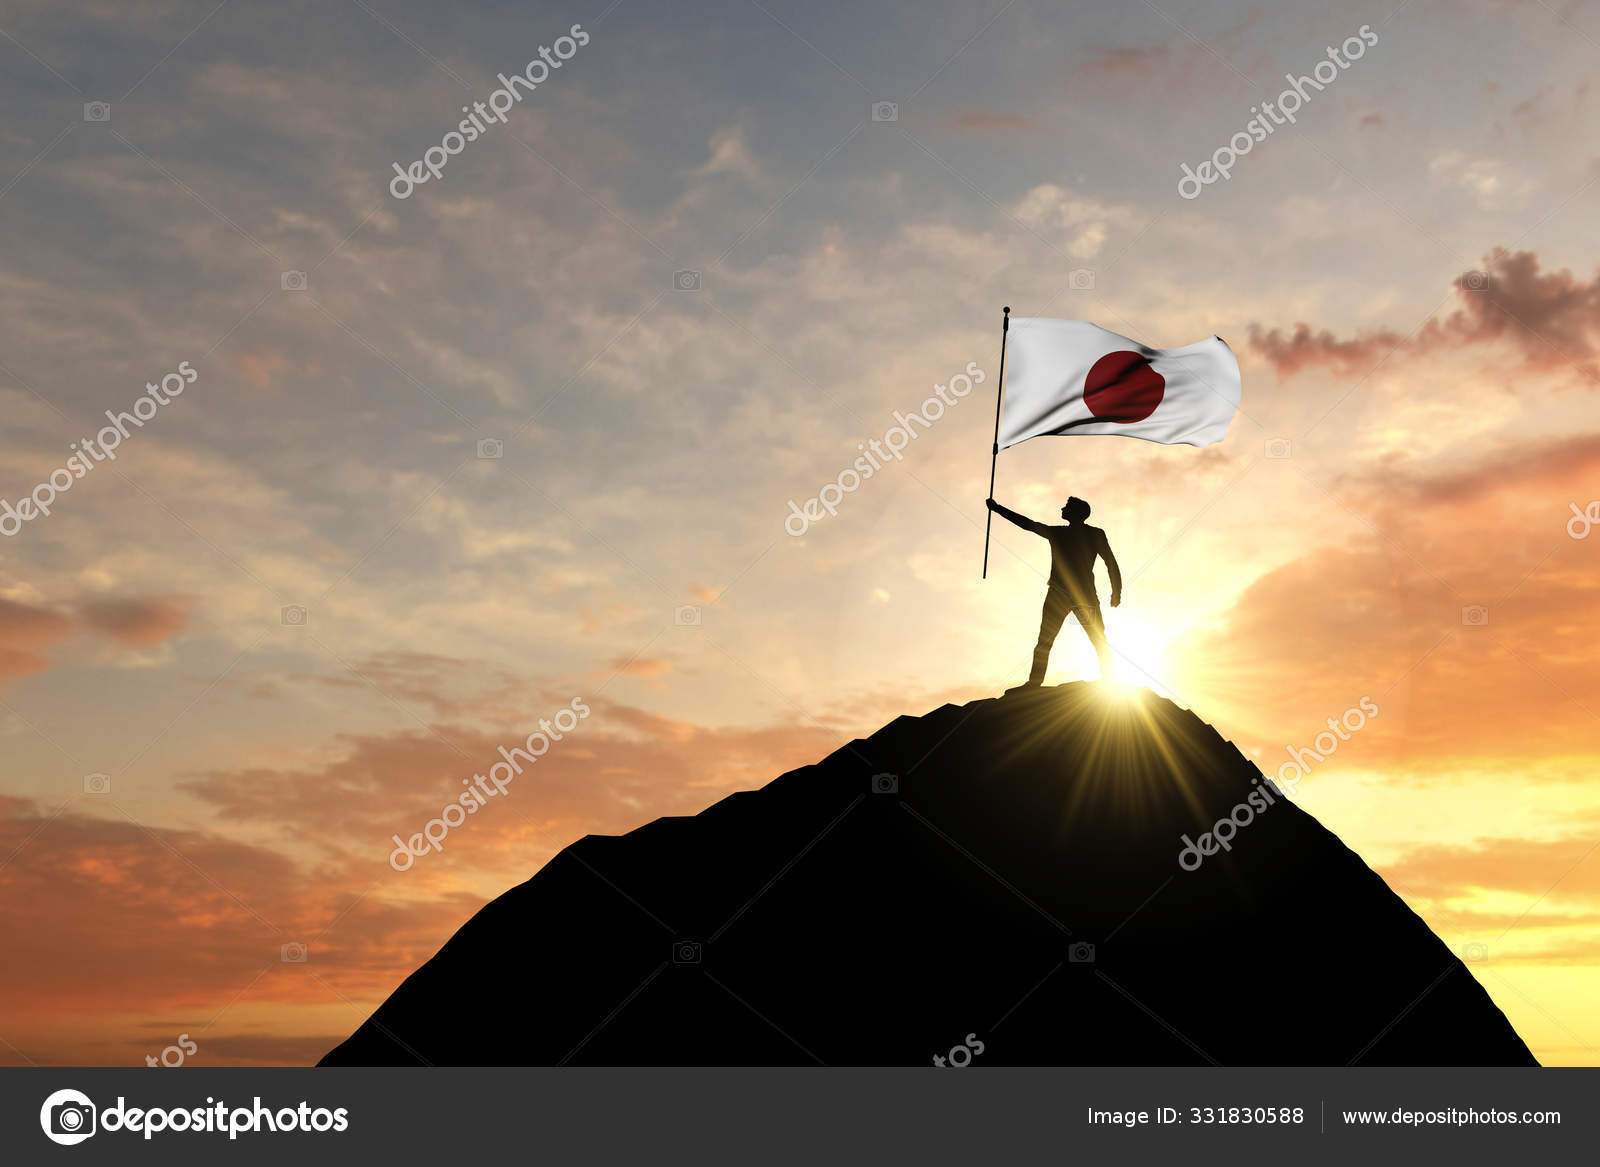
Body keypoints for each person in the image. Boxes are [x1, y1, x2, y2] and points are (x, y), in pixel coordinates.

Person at [986, 496, 1121, 686]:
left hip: (1070, 596)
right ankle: (1035, 682)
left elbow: (1110, 562)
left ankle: (1109, 680)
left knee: (1090, 639)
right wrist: (1116, 592)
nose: (1062, 509)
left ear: (1075, 513)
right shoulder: (1077, 533)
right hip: (1073, 595)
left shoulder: (1074, 534)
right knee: (1056, 640)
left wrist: (998, 509)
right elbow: (1028, 524)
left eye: (1067, 507)